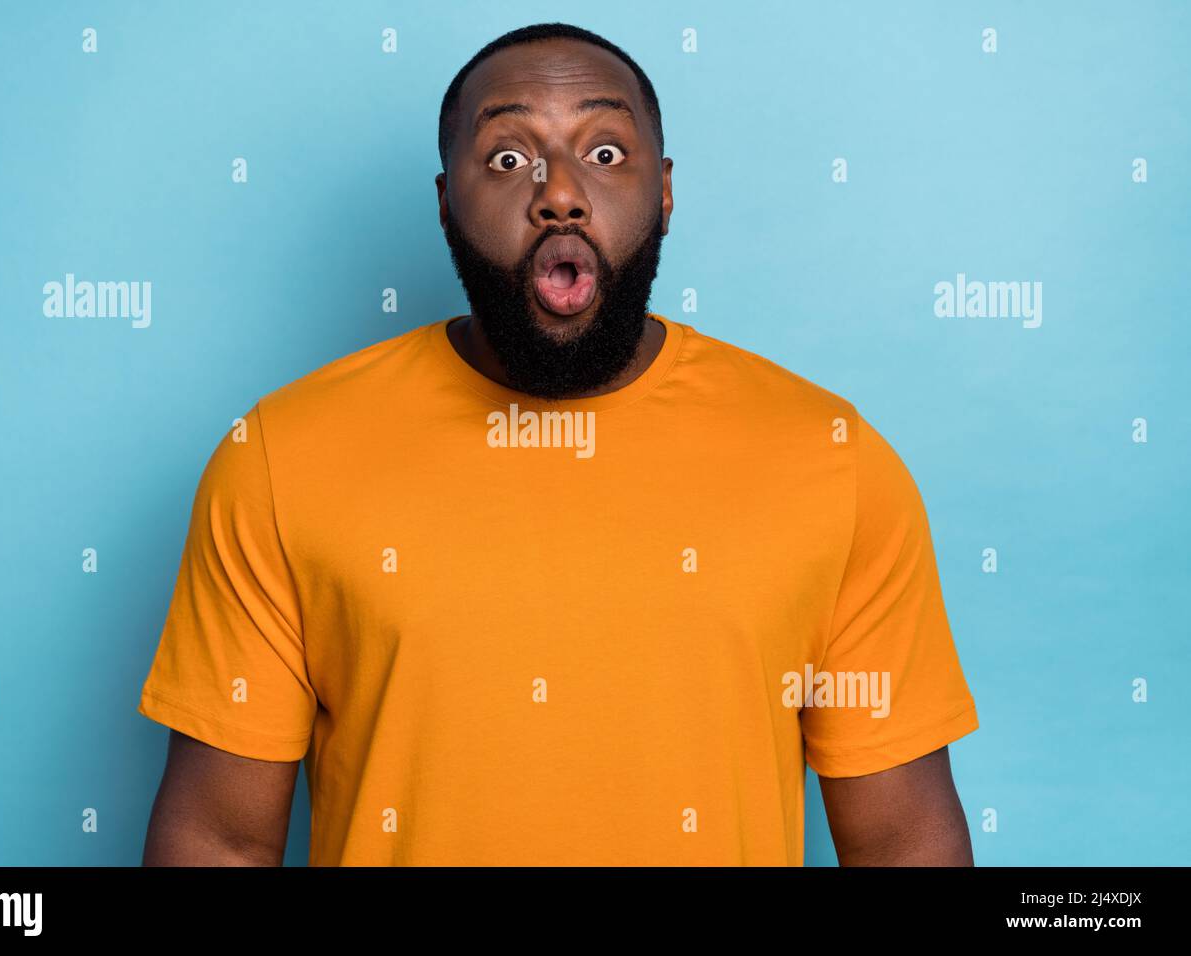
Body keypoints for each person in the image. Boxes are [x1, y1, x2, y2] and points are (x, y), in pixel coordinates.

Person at [138, 21, 979, 866]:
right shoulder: (282, 457)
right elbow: (219, 842)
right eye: (508, 158)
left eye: (607, 153)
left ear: (666, 191)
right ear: (443, 201)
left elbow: (903, 844)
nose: (559, 192)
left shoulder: (832, 459)